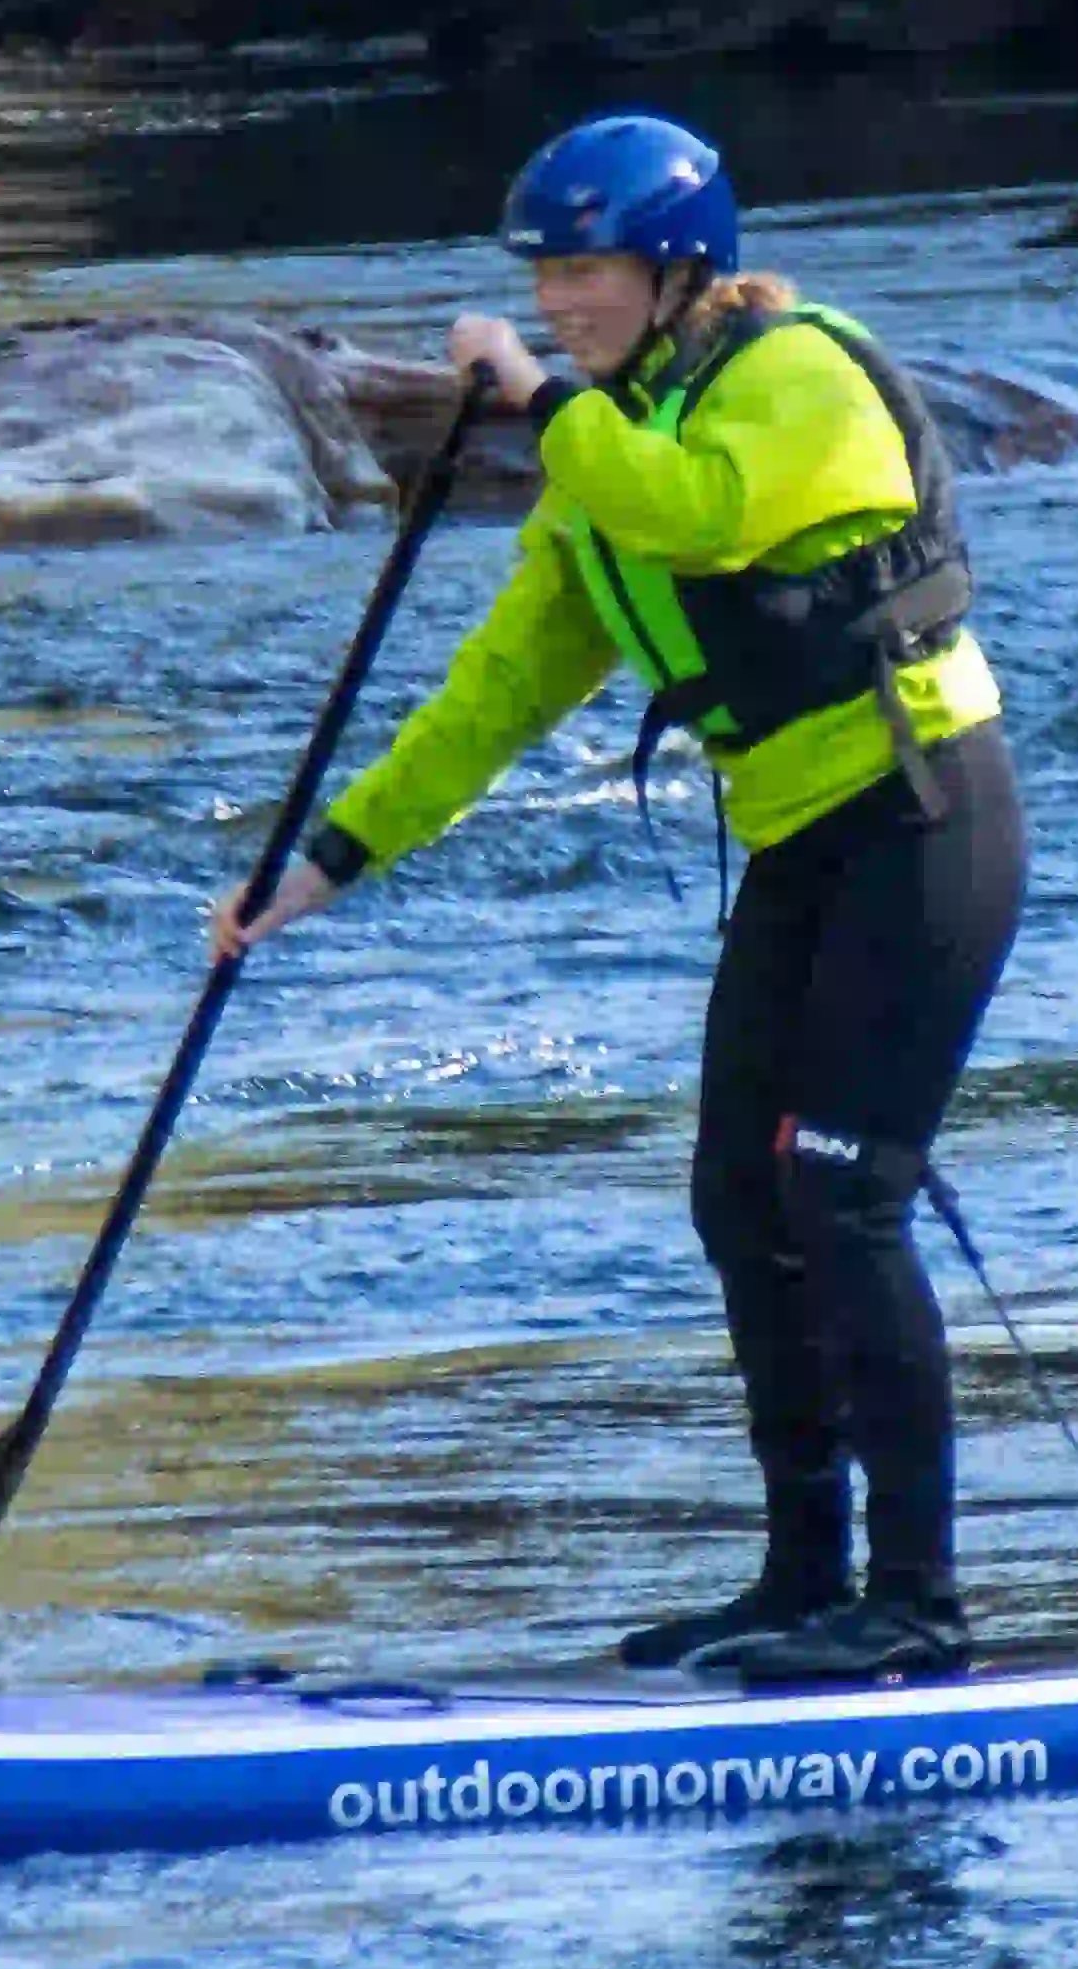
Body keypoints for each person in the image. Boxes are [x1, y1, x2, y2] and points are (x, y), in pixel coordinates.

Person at [204, 113, 1025, 1689]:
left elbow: (699, 514)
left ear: (678, 268)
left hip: (925, 823)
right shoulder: (603, 454)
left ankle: (920, 1604)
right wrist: (321, 863)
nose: (558, 301)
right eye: (542, 276)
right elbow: (494, 695)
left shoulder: (797, 380)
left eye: (585, 272)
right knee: (740, 1195)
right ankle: (803, 1579)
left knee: (842, 1194)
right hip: (801, 849)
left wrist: (536, 398)